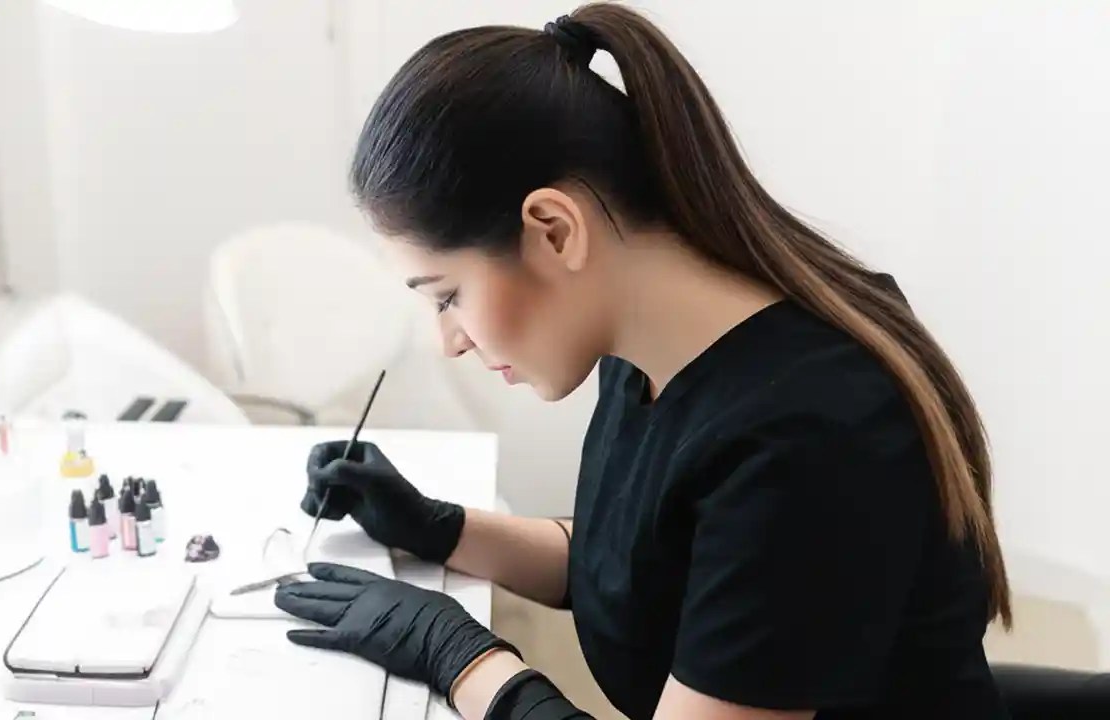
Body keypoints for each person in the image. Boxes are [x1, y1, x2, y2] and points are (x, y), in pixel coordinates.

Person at [271, 5, 1011, 719]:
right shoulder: (646, 353)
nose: (451, 340)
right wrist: (440, 528)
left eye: (448, 294)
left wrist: (458, 656)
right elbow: (630, 563)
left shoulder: (808, 432)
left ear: (554, 230)